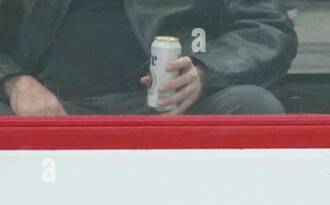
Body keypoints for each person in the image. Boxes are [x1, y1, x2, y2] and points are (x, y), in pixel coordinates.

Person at [0, 0, 297, 117]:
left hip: (172, 106)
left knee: (252, 106)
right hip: (50, 111)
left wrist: (206, 70)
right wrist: (12, 80)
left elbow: (267, 27)